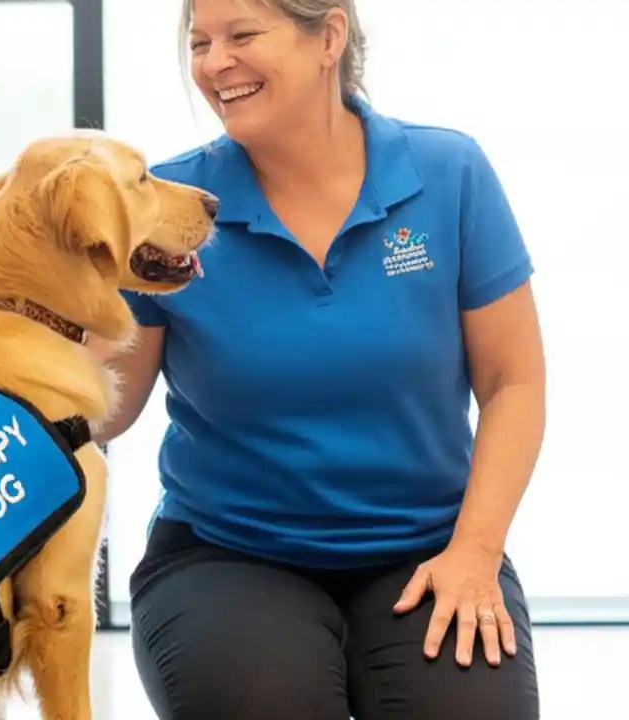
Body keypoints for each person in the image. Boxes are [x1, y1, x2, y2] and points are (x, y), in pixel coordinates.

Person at [89, 0, 545, 717]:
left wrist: (476, 552)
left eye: (241, 36)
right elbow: (102, 411)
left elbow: (512, 382)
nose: (213, 63)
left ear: (328, 36)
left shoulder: (448, 172)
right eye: (199, 42)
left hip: (428, 549)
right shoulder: (165, 205)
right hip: (228, 551)